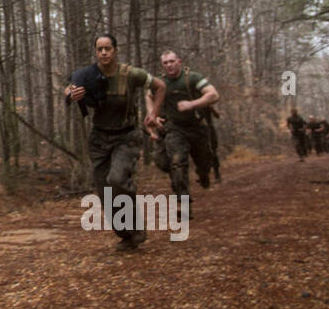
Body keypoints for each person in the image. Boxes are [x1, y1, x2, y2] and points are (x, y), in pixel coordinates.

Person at [64, 34, 165, 250]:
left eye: (107, 48)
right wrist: (72, 94)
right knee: (105, 192)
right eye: (99, 49)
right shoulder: (88, 75)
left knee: (117, 179)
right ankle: (127, 235)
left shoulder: (130, 74)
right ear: (95, 52)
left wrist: (154, 114)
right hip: (99, 139)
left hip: (126, 136)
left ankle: (136, 227)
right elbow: (69, 88)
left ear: (115, 50)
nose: (103, 53)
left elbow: (160, 86)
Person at [156, 51, 220, 200]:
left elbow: (214, 95)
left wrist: (192, 104)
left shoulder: (192, 78)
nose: (169, 65)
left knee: (205, 161)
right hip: (175, 128)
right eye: (165, 63)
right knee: (177, 162)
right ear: (162, 65)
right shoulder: (160, 82)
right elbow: (149, 95)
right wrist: (154, 115)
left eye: (172, 61)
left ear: (179, 61)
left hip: (197, 126)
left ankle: (203, 174)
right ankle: (184, 201)